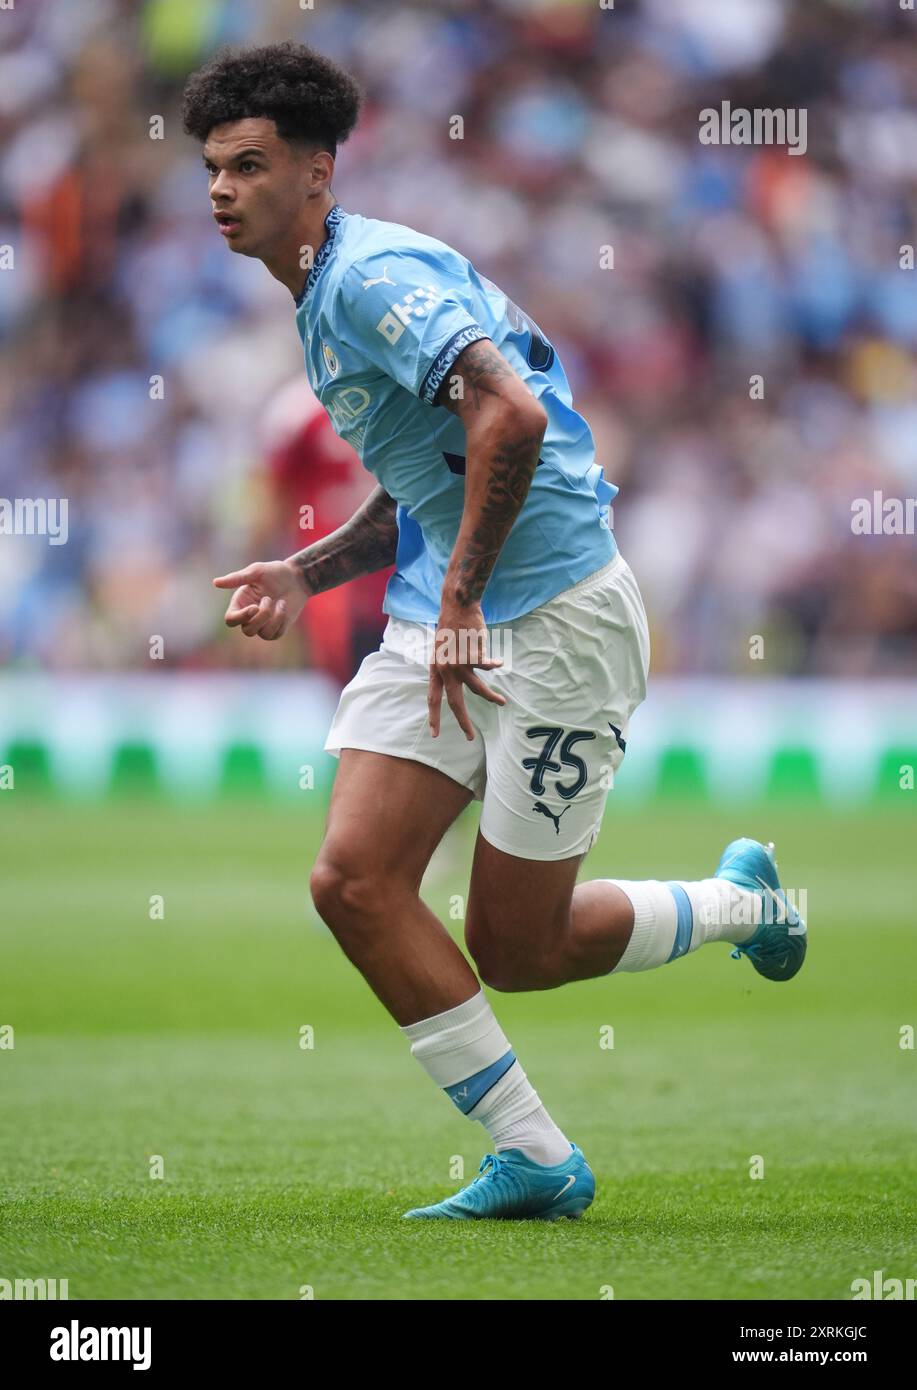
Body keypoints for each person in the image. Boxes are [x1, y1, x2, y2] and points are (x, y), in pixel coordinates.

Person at [182, 41, 806, 1222]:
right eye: (211, 168)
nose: (220, 190)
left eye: (248, 166)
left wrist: (462, 595)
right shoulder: (324, 294)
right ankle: (537, 1157)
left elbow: (508, 417)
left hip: (556, 615)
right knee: (354, 880)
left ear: (316, 172)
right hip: (443, 612)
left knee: (518, 948)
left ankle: (742, 905)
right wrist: (306, 571)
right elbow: (434, 471)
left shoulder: (369, 276)